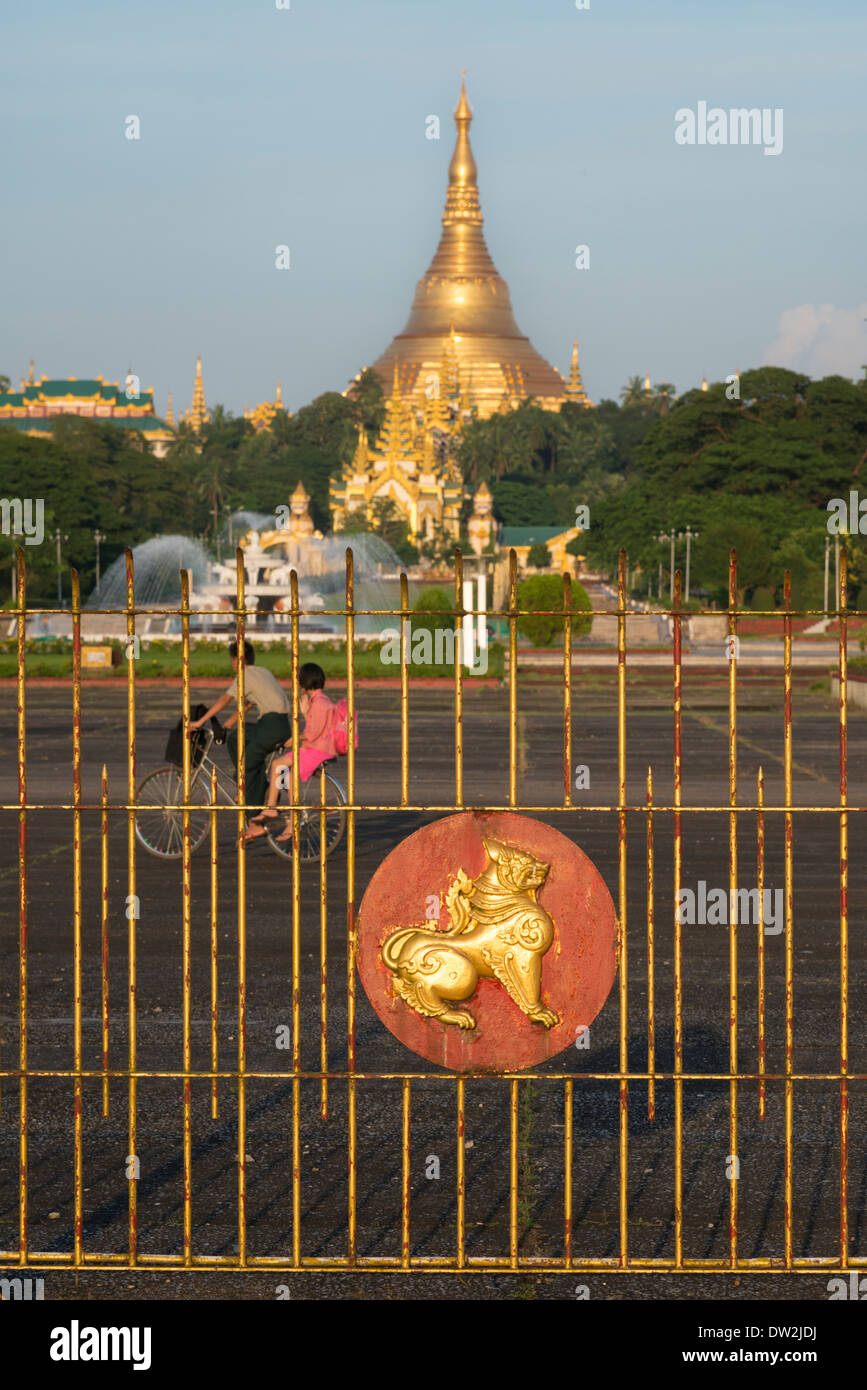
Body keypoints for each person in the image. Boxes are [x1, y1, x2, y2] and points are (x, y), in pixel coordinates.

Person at [189, 640, 291, 815]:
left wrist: (199, 722)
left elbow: (225, 699)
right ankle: (261, 787)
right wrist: (231, 721)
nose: (232, 664)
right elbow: (251, 702)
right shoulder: (262, 672)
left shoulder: (245, 675)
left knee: (249, 764)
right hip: (282, 724)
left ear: (237, 659)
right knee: (237, 737)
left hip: (271, 725)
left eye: (232, 660)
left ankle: (253, 819)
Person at [245, 662, 337, 842]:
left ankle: (281, 814)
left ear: (303, 683)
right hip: (316, 747)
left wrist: (295, 736)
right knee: (281, 768)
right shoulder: (320, 700)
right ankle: (280, 813)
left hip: (318, 750)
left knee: (283, 769)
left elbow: (312, 733)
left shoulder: (319, 703)